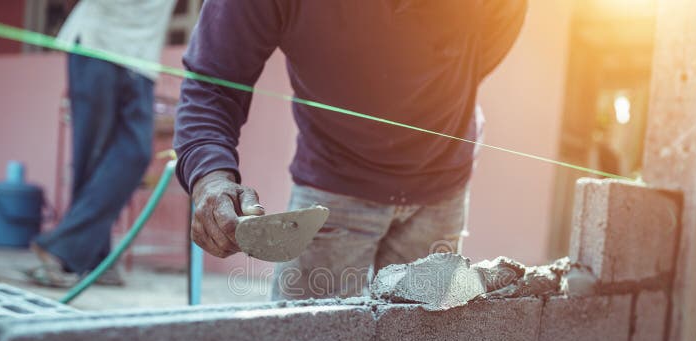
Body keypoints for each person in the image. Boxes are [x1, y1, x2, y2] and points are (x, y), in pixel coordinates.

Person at [174, 0, 528, 300]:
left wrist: (442, 80)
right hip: (333, 183)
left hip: (442, 184)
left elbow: (499, 28)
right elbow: (212, 84)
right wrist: (210, 176)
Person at [27, 0, 177, 287]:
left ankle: (82, 252)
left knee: (135, 154)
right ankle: (80, 255)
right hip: (97, 42)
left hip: (141, 58)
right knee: (92, 156)